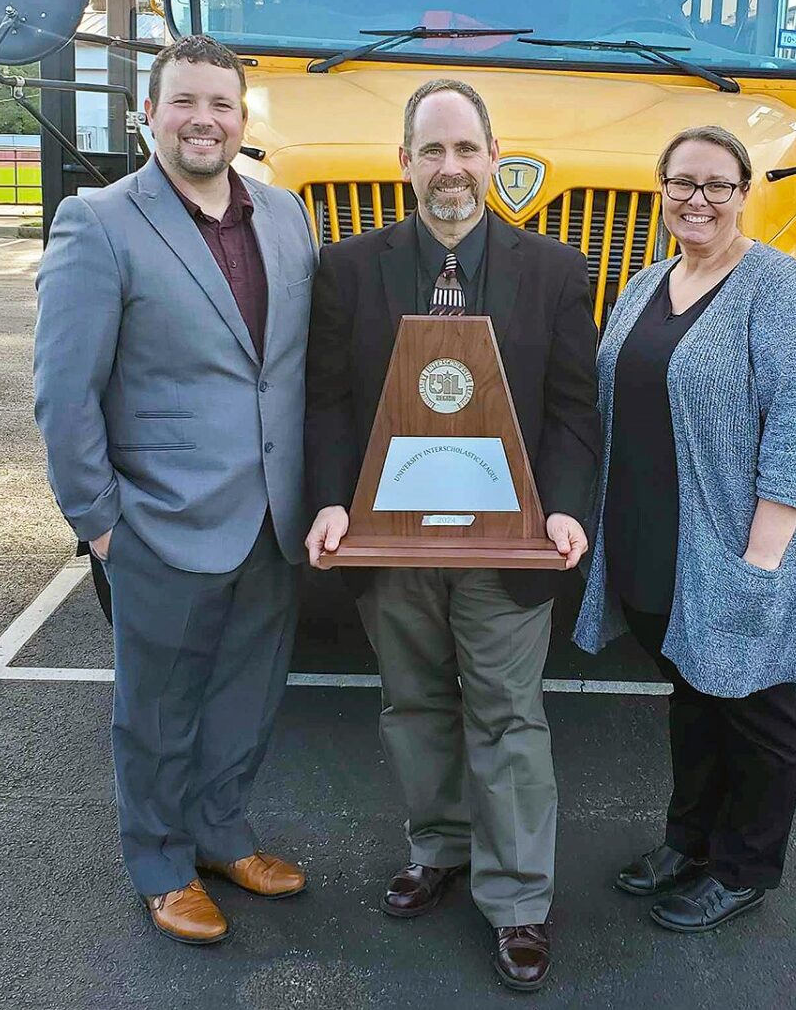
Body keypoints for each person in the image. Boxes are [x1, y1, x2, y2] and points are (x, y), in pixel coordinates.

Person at [304, 79, 600, 990]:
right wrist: (331, 500)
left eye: (465, 149)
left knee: (509, 716)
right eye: (431, 150)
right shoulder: (349, 268)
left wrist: (563, 507)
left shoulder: (555, 269)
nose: (450, 168)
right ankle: (439, 847)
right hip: (391, 546)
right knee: (416, 709)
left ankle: (517, 902)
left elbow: (574, 411)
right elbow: (327, 401)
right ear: (403, 162)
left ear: (493, 156)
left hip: (507, 548)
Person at [34, 35, 317, 945]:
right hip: (156, 521)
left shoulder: (286, 219)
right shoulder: (99, 221)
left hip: (273, 513)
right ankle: (158, 861)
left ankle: (221, 833)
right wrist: (101, 525)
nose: (205, 118)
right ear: (148, 114)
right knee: (155, 709)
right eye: (184, 101)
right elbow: (64, 390)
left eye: (222, 104)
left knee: (248, 692)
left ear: (243, 119)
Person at [575, 125, 796, 933]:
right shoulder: (649, 281)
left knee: (757, 713)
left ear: (743, 193)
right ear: (661, 188)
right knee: (695, 696)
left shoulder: (783, 290)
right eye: (683, 183)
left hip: (745, 550)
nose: (698, 199)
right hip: (662, 541)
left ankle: (743, 867)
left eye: (717, 185)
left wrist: (757, 564)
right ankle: (688, 839)